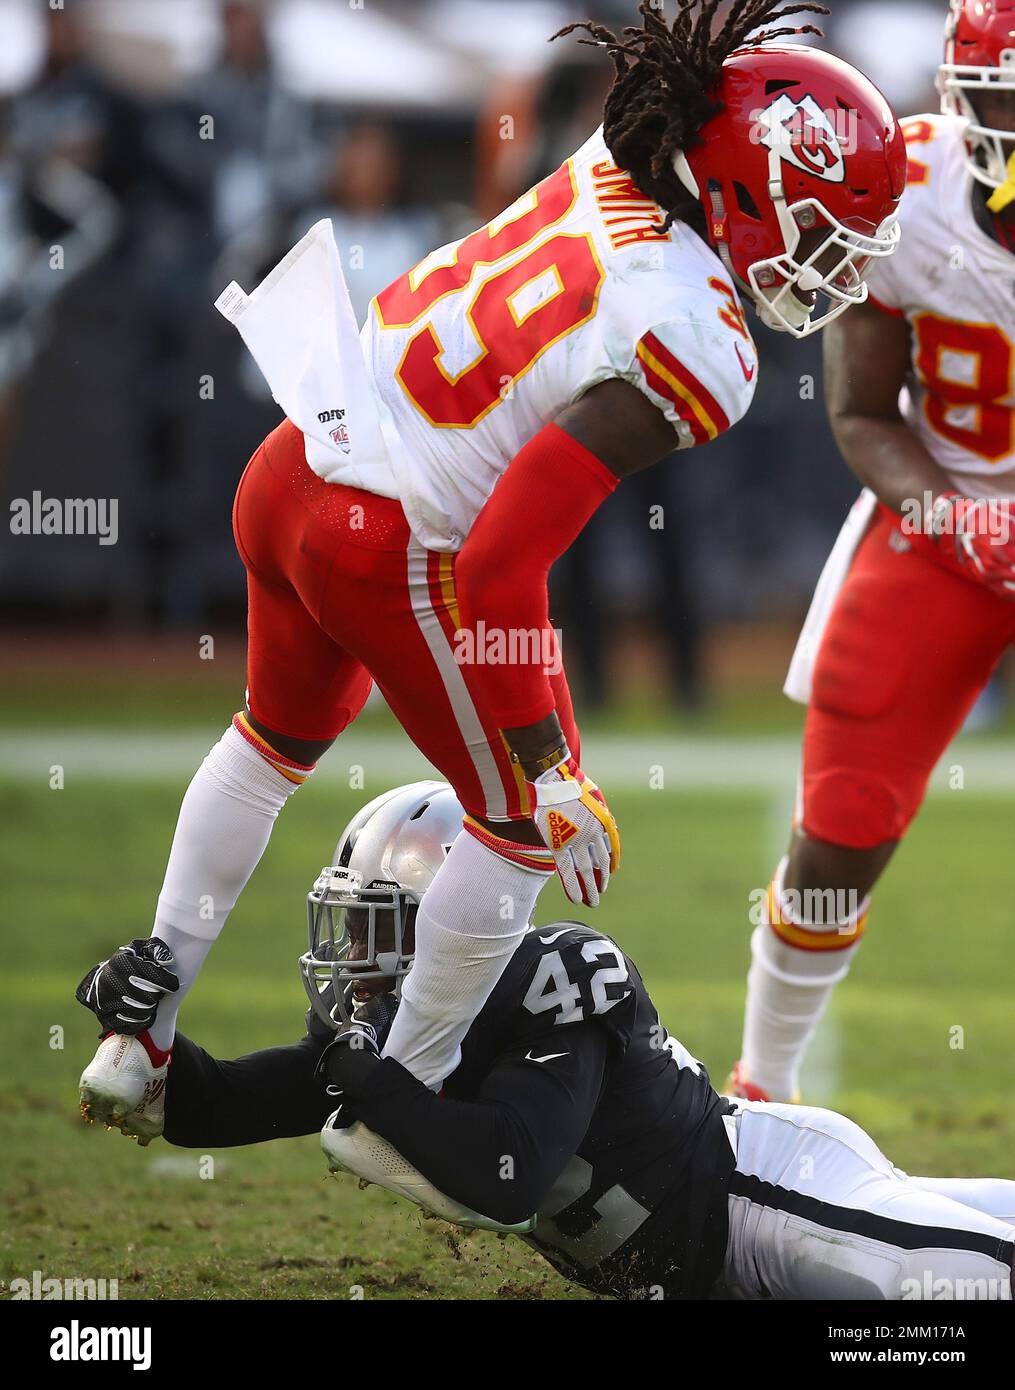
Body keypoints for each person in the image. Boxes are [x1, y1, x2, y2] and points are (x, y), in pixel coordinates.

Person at [78, 0, 905, 1142]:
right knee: (521, 828)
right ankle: (399, 1107)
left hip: (294, 463)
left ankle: (143, 1026)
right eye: (818, 227)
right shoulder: (701, 337)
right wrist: (547, 767)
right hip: (389, 536)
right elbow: (502, 564)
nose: (829, 265)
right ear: (744, 191)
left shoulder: (613, 166)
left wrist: (551, 738)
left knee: (272, 743)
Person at [77, 782, 1015, 1300]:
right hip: (712, 1265)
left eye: (377, 930)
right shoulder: (386, 1029)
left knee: (950, 1303)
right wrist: (142, 1025)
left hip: (773, 1206)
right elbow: (223, 1106)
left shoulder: (555, 977)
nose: (354, 959)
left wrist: (371, 1085)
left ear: (447, 924)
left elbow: (508, 1174)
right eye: (349, 928)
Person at [728, 0, 1015, 1106]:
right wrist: (953, 514)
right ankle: (763, 1088)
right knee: (841, 819)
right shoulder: (907, 189)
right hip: (942, 519)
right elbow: (860, 411)